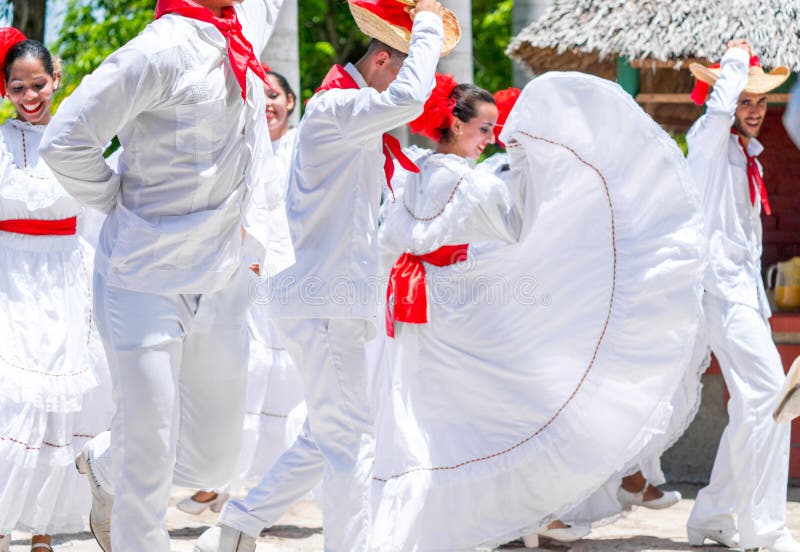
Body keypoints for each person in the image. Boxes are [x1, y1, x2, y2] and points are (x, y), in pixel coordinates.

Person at [370, 70, 707, 551]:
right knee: (513, 404)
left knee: (452, 415)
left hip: (428, 307)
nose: (490, 138)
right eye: (484, 129)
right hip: (453, 308)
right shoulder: (462, 181)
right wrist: (525, 159)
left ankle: (514, 517)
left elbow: (394, 236)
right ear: (456, 124)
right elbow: (517, 225)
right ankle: (525, 514)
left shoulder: (417, 170)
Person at [195, 1, 456, 550]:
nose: (406, 84)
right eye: (404, 68)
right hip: (325, 301)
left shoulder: (341, 108)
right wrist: (429, 23)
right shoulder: (339, 106)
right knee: (350, 443)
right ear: (382, 61)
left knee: (326, 435)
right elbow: (408, 98)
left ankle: (235, 529)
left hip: (324, 298)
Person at [38, 0, 289, 550]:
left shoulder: (241, 29)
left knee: (213, 461)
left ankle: (106, 460)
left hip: (219, 275)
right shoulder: (156, 52)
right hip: (143, 275)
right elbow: (65, 140)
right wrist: (119, 201)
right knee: (149, 451)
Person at [685, 39, 800, 551]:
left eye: (760, 101)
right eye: (744, 100)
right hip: (720, 292)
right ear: (727, 100)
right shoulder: (708, 139)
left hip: (741, 294)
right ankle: (766, 530)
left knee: (752, 408)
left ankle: (711, 517)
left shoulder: (745, 153)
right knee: (775, 399)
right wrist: (735, 60)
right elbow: (716, 112)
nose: (754, 110)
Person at [0, 29, 111, 552]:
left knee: (58, 402)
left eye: (38, 84)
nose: (29, 96)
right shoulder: (1, 143)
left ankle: (41, 529)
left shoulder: (77, 139)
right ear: (5, 89)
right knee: (10, 399)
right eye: (17, 86)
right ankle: (4, 522)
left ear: (56, 80)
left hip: (66, 276)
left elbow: (96, 213)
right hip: (9, 276)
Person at [178, 69, 304, 515]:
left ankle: (263, 488)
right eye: (259, 95)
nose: (267, 103)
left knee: (285, 385)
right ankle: (218, 478)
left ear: (290, 101)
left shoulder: (301, 149)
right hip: (242, 278)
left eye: (274, 94)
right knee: (243, 374)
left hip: (289, 279)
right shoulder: (240, 147)